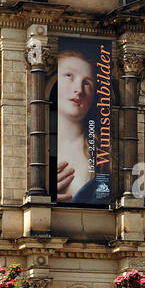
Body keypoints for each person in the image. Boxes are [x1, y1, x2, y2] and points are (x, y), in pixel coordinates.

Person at [55, 50, 102, 204]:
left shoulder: (104, 152)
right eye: (69, 76)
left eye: (87, 82)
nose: (79, 90)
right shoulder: (29, 145)